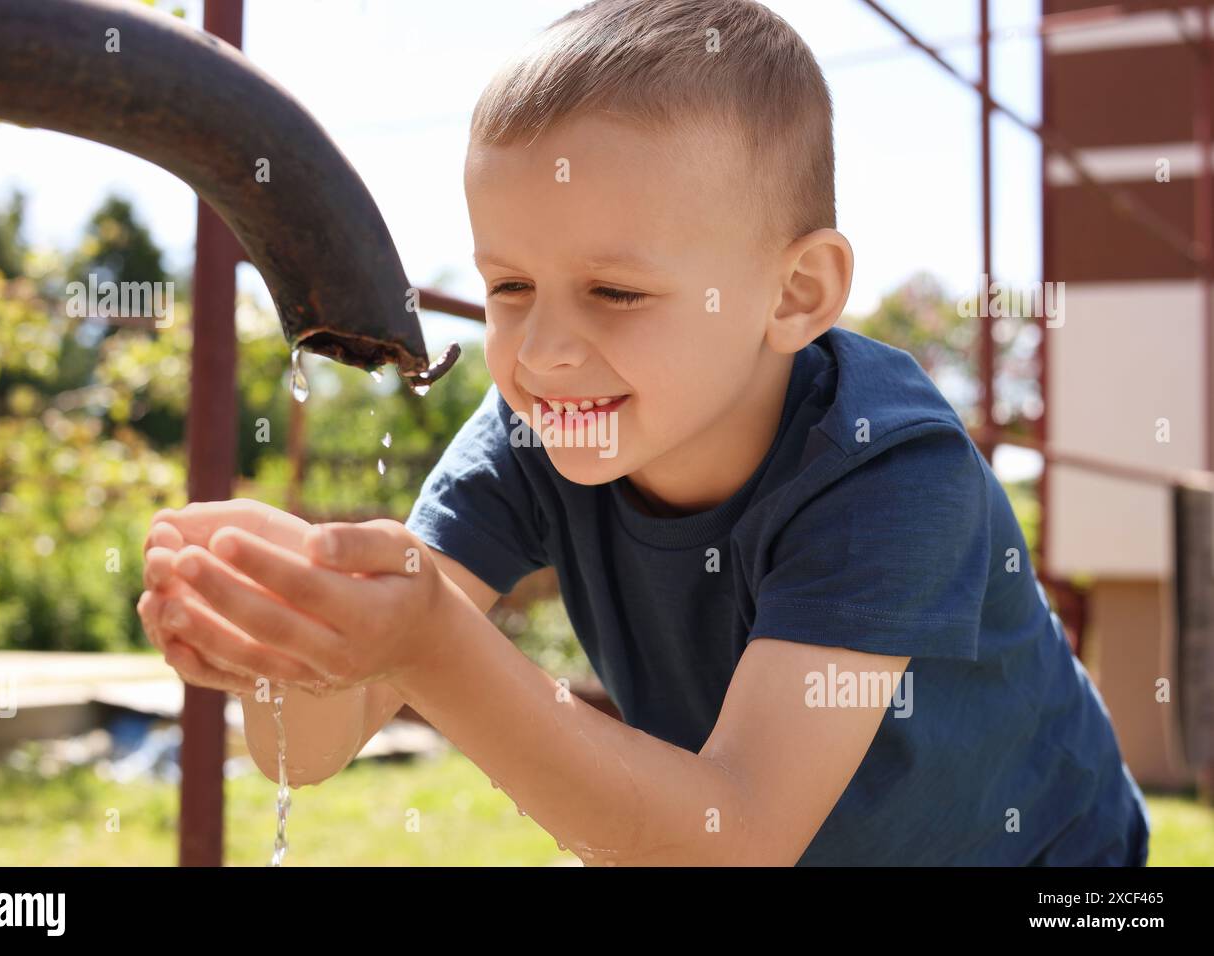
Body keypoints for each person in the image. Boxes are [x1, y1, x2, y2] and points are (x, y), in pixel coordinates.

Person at [138, 0, 1149, 866]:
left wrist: (435, 648)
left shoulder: (886, 469)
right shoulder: (529, 435)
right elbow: (305, 751)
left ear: (795, 294)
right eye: (508, 286)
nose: (542, 351)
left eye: (614, 291)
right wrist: (285, 633)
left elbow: (737, 833)